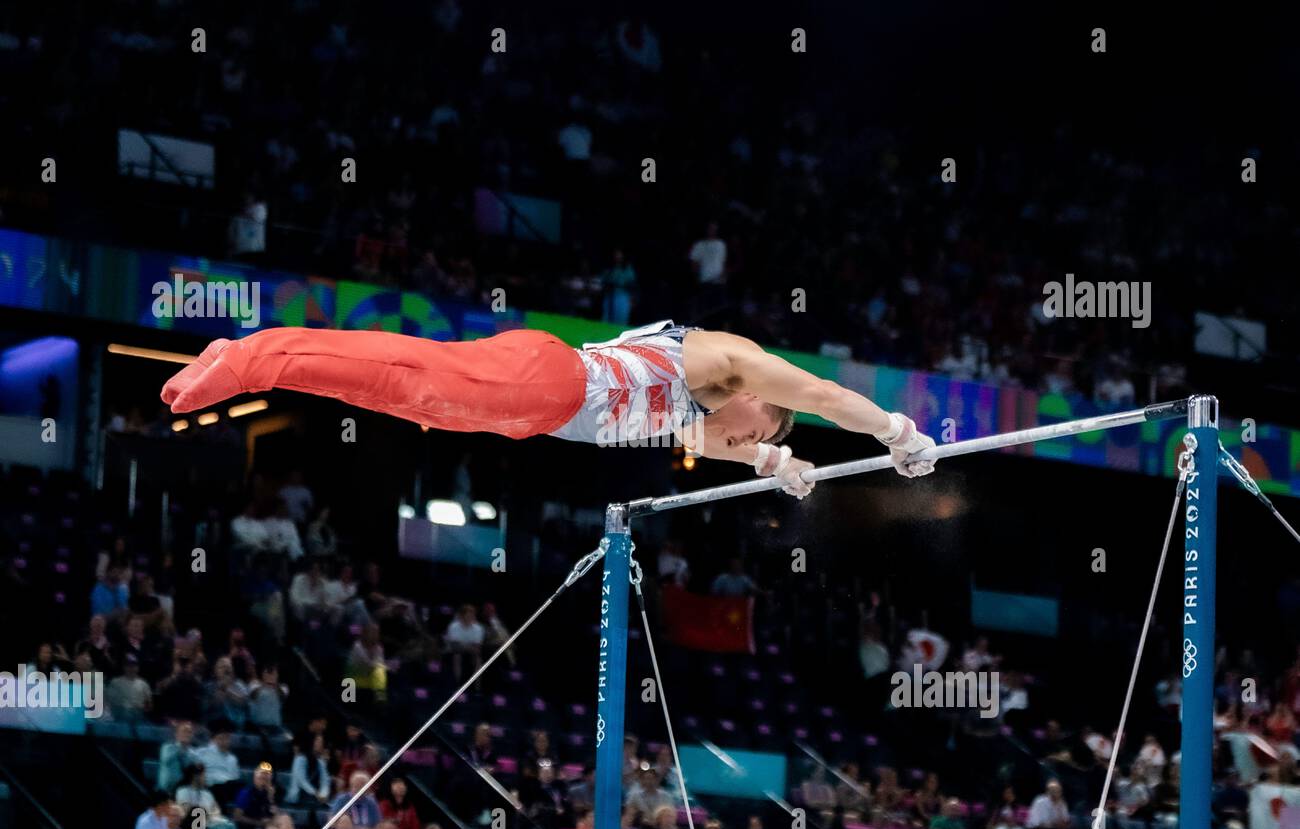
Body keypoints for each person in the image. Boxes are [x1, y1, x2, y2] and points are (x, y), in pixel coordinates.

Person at [160, 322, 938, 500]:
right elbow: (832, 399)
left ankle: (264, 369)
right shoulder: (730, 362)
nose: (740, 436)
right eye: (759, 427)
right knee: (396, 366)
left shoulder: (694, 418)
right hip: (547, 379)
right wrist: (899, 433)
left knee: (391, 395)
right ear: (755, 398)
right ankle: (252, 355)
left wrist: (775, 464)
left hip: (531, 416)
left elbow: (717, 442)